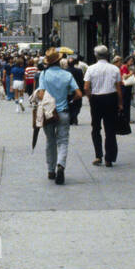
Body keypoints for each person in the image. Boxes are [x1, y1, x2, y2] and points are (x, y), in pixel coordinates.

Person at [34, 48, 81, 185]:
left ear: (48, 62)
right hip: (63, 111)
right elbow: (78, 94)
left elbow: (41, 94)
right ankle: (61, 165)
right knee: (63, 141)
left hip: (49, 113)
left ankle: (51, 170)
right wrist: (70, 100)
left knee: (50, 141)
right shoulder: (67, 75)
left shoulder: (44, 74)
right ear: (59, 60)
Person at [83, 45, 123, 167]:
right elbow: (118, 88)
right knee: (110, 129)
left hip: (96, 99)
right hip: (111, 98)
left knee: (96, 128)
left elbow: (86, 87)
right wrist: (120, 103)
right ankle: (109, 158)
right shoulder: (115, 69)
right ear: (107, 55)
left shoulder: (91, 69)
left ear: (96, 55)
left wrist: (90, 98)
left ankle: (98, 155)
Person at [67, 55, 85, 125]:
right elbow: (82, 81)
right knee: (77, 104)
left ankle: (71, 117)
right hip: (77, 89)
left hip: (68, 90)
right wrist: (83, 91)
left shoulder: (65, 71)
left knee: (69, 104)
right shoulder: (79, 71)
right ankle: (74, 116)